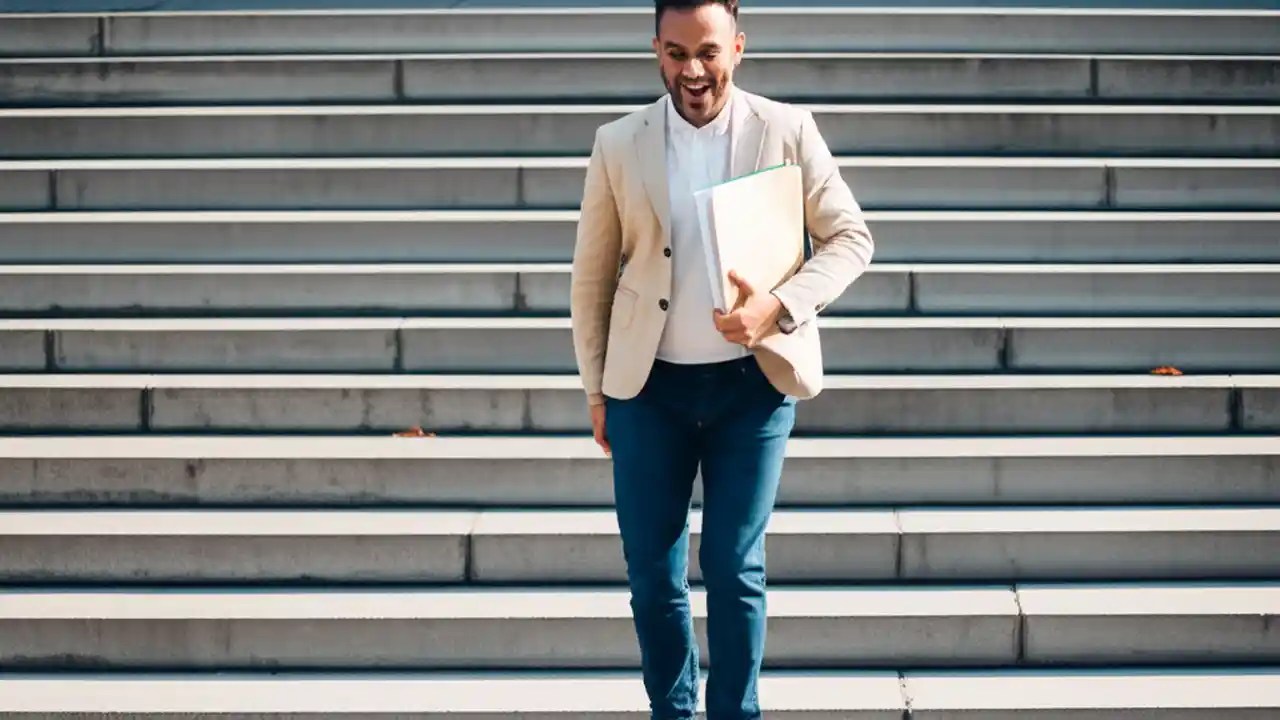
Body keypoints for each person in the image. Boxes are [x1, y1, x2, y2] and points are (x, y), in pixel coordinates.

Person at [569, 1, 874, 717]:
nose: (693, 71)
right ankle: (672, 712)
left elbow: (851, 238)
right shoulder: (619, 143)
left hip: (752, 389)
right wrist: (594, 388)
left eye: (708, 52)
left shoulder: (787, 129)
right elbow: (591, 277)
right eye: (676, 54)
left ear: (737, 46)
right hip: (649, 391)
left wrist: (779, 306)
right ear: (656, 51)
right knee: (652, 574)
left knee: (734, 568)